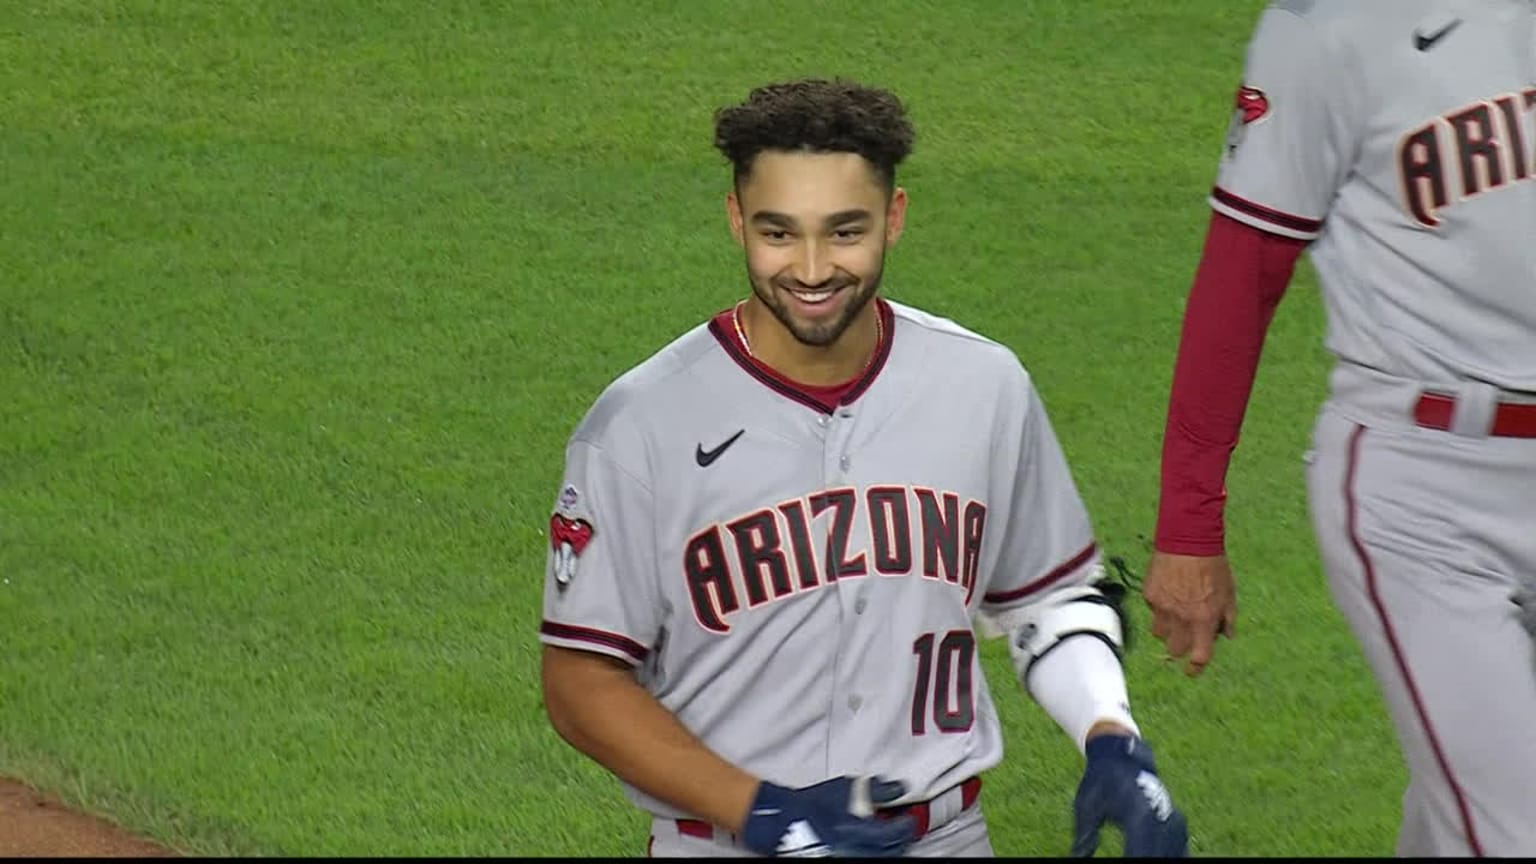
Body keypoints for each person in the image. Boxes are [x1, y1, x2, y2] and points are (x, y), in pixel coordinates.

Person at [537, 78, 1189, 858]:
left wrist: (1110, 735)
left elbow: (1048, 600)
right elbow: (581, 684)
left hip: (947, 839)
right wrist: (761, 810)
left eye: (845, 232)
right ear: (736, 219)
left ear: (896, 217)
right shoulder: (640, 424)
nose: (811, 269)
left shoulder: (982, 386)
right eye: (779, 234)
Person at [1141, 0, 1536, 856]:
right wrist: (1188, 528)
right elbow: (1239, 282)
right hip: (1428, 490)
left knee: (1458, 816)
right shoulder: (1325, 29)